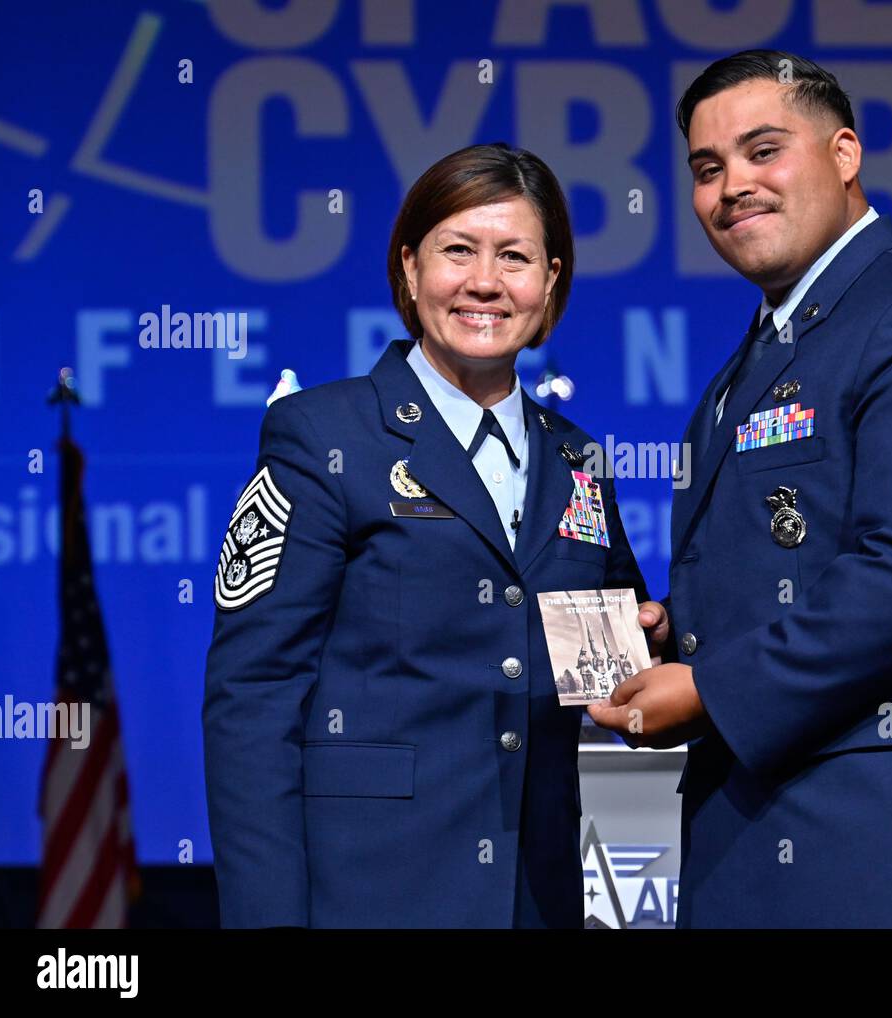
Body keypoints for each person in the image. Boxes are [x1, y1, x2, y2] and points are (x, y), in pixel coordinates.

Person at [589, 51, 892, 928]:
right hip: (759, 845)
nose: (733, 185)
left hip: (891, 856)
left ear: (845, 154)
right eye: (706, 169)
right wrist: (675, 631)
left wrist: (710, 690)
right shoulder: (758, 360)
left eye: (763, 150)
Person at [203, 143, 665, 928]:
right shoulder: (322, 433)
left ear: (550, 285)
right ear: (411, 269)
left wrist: (666, 647)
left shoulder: (578, 457)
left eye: (515, 257)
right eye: (459, 251)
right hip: (369, 897)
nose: (485, 281)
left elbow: (620, 651)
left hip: (538, 897)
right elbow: (253, 700)